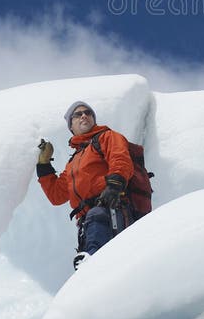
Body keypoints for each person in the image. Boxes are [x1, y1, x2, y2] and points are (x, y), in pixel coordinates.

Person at [37, 100, 135, 270]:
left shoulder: (107, 136)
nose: (84, 115)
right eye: (78, 114)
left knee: (95, 251)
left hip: (111, 207)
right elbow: (57, 195)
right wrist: (44, 164)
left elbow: (120, 158)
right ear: (71, 126)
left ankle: (91, 262)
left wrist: (114, 185)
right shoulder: (74, 161)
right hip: (88, 223)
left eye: (88, 113)